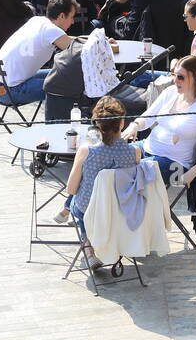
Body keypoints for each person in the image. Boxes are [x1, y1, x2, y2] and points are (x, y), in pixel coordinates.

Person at [57, 97, 143, 271]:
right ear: (122, 123)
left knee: (77, 202)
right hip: (121, 210)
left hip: (89, 210)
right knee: (87, 203)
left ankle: (89, 250)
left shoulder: (86, 150)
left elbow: (71, 189)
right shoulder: (135, 151)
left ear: (96, 122)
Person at [121, 56, 196, 188]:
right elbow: (148, 117)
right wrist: (134, 126)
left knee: (126, 174)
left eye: (181, 77)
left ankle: (126, 207)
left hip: (175, 164)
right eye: (174, 75)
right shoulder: (170, 92)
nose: (175, 81)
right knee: (108, 157)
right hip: (146, 147)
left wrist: (192, 173)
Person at [126, 0, 196, 102]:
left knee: (139, 79)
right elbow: (192, 65)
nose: (184, 20)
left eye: (186, 16)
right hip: (186, 81)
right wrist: (179, 63)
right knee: (138, 76)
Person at [0, 0, 77, 106]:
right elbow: (77, 49)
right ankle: (58, 121)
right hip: (9, 92)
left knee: (61, 74)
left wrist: (97, 39)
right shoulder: (52, 31)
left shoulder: (38, 20)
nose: (73, 22)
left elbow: (68, 40)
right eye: (71, 17)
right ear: (62, 16)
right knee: (68, 85)